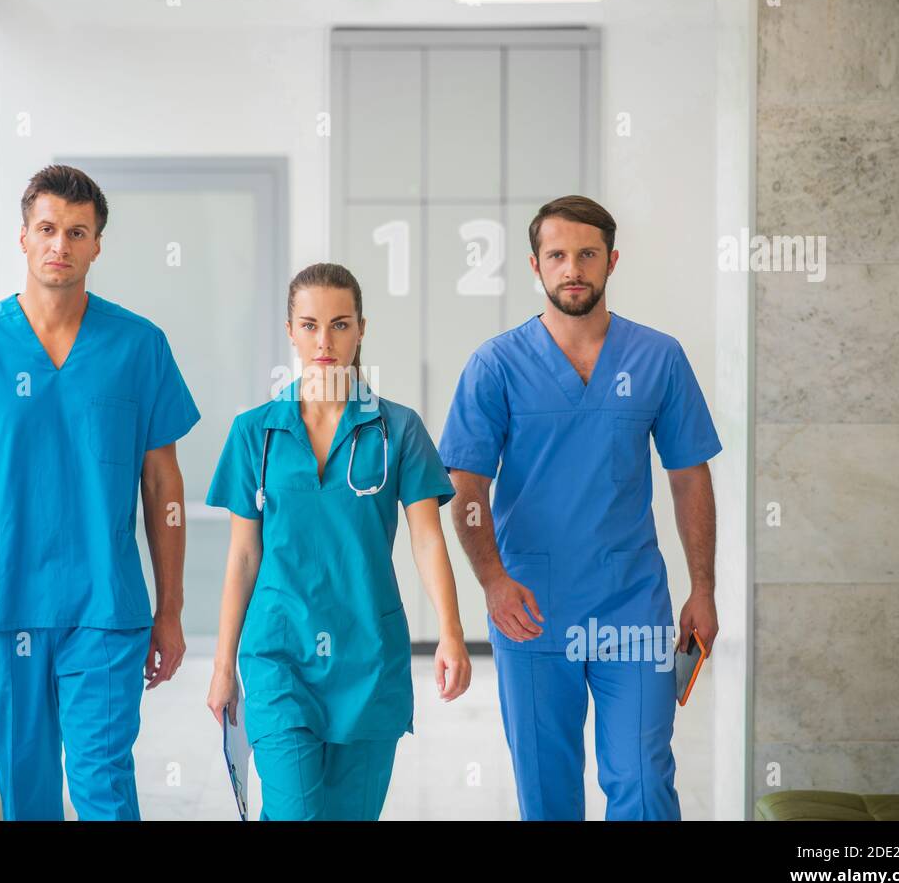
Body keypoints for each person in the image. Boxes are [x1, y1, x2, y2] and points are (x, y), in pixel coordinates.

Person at [0, 164, 200, 820]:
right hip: (1, 607)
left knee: (103, 786)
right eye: (46, 228)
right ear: (23, 237)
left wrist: (171, 607)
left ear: (97, 245)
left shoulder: (138, 346)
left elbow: (162, 484)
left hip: (106, 605)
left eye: (76, 231)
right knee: (27, 794)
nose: (59, 243)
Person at [438, 195, 722, 821]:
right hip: (530, 607)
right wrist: (492, 581)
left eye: (587, 254)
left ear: (612, 261)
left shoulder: (659, 358)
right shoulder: (496, 365)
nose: (573, 268)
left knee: (645, 781)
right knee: (547, 792)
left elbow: (689, 476)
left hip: (633, 603)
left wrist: (702, 588)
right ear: (535, 266)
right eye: (558, 255)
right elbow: (466, 489)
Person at [204, 263, 471, 820]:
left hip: (368, 654)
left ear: (361, 329)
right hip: (278, 652)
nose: (324, 341)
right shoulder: (255, 432)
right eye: (309, 325)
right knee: (294, 812)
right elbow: (243, 556)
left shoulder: (398, 429)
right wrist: (223, 664)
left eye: (340, 324)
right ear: (290, 331)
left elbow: (427, 540)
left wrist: (450, 633)